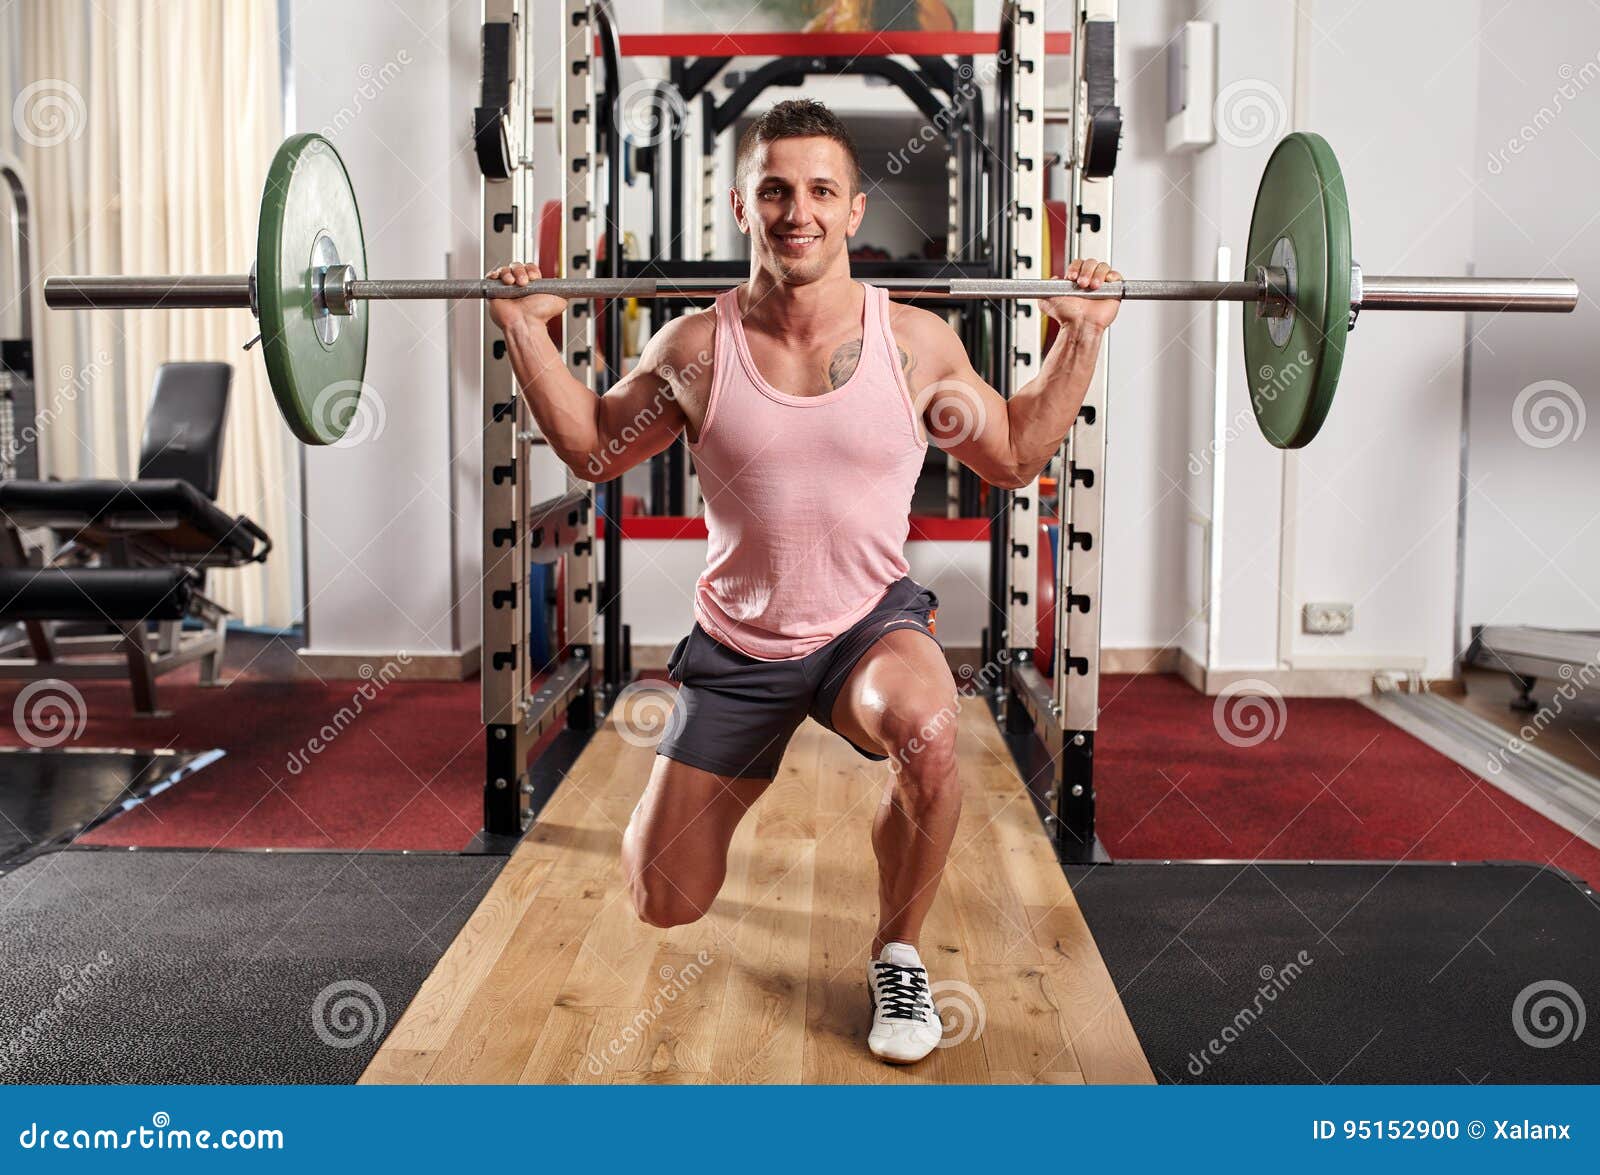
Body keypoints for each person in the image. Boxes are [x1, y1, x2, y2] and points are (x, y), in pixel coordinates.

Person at [487, 98, 1119, 1065]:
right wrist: (526, 331)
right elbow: (591, 451)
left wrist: (1081, 336)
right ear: (742, 206)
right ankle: (735, 772)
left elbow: (1015, 456)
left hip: (869, 628)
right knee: (663, 899)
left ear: (855, 209)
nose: (799, 212)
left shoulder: (913, 346)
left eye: (822, 190)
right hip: (737, 648)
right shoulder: (695, 350)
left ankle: (897, 947)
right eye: (776, 190)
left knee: (933, 731)